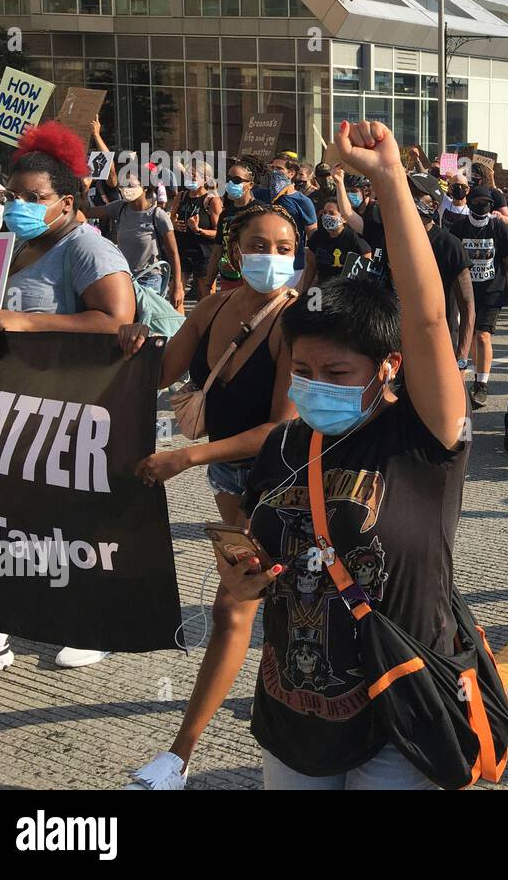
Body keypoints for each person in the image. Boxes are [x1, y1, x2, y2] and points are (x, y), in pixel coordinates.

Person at [212, 119, 468, 790]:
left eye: (337, 372)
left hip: (399, 720)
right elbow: (255, 567)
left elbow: (428, 318)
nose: (314, 385)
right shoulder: (284, 445)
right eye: (302, 368)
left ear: (388, 368)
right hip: (292, 721)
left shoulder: (423, 440)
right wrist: (242, 580)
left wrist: (385, 180)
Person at [121, 203, 299, 790]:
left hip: (284, 487)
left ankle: (179, 756)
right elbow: (160, 370)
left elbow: (282, 428)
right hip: (230, 489)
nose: (271, 258)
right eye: (259, 245)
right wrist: (128, 335)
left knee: (234, 608)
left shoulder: (294, 323)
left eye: (284, 248)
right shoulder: (216, 305)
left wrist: (187, 455)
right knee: (261, 606)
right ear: (232, 249)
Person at [0, 122, 136, 674]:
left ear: (66, 201)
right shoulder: (10, 246)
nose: (20, 204)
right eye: (13, 195)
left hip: (68, 406)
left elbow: (116, 320)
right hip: (7, 405)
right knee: (0, 518)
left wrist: (27, 321)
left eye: (34, 197)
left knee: (73, 521)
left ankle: (97, 623)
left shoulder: (86, 246)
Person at [448, 185, 508, 408]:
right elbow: (449, 259)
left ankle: (481, 384)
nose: (482, 207)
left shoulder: (498, 227)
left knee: (482, 336)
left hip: (492, 288)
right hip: (465, 291)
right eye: (477, 203)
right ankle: (460, 378)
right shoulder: (458, 228)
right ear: (469, 203)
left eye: (486, 204)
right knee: (466, 335)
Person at [83, 165, 185, 310]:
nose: (125, 189)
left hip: (150, 279)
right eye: (123, 185)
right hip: (126, 278)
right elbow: (86, 212)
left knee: (146, 325)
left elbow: (173, 253)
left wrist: (177, 286)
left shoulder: (158, 215)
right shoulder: (120, 208)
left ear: (144, 187)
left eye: (130, 185)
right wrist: (85, 188)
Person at [407, 172, 475, 365]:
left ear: (433, 205)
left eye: (417, 195)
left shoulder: (450, 245)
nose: (410, 199)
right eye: (409, 192)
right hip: (401, 344)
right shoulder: (395, 239)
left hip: (439, 345)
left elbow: (468, 307)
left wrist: (460, 360)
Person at [200, 157, 259, 296]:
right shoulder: (226, 214)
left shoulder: (260, 211)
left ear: (250, 185)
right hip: (229, 280)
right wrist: (208, 282)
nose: (231, 183)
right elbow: (217, 251)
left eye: (237, 180)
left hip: (253, 282)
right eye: (229, 179)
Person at [255, 160, 318, 288]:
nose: (273, 171)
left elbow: (314, 239)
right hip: (264, 263)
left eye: (278, 168)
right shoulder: (260, 195)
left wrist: (313, 271)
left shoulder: (303, 202)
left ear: (291, 173)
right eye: (271, 167)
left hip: (292, 267)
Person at [170, 159, 222, 300]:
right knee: (175, 293)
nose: (189, 179)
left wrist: (199, 230)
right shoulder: (181, 197)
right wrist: (173, 224)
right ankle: (179, 322)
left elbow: (219, 232)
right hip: (182, 251)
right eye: (186, 175)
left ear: (205, 179)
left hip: (203, 254)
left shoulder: (212, 200)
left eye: (193, 176)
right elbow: (170, 218)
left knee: (206, 297)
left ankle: (205, 322)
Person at [307, 198, 371, 283]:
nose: (326, 216)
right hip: (323, 288)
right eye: (325, 212)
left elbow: (367, 254)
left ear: (344, 218)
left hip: (344, 291)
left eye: (331, 213)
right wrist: (304, 290)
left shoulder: (352, 237)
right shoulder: (318, 236)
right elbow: (311, 265)